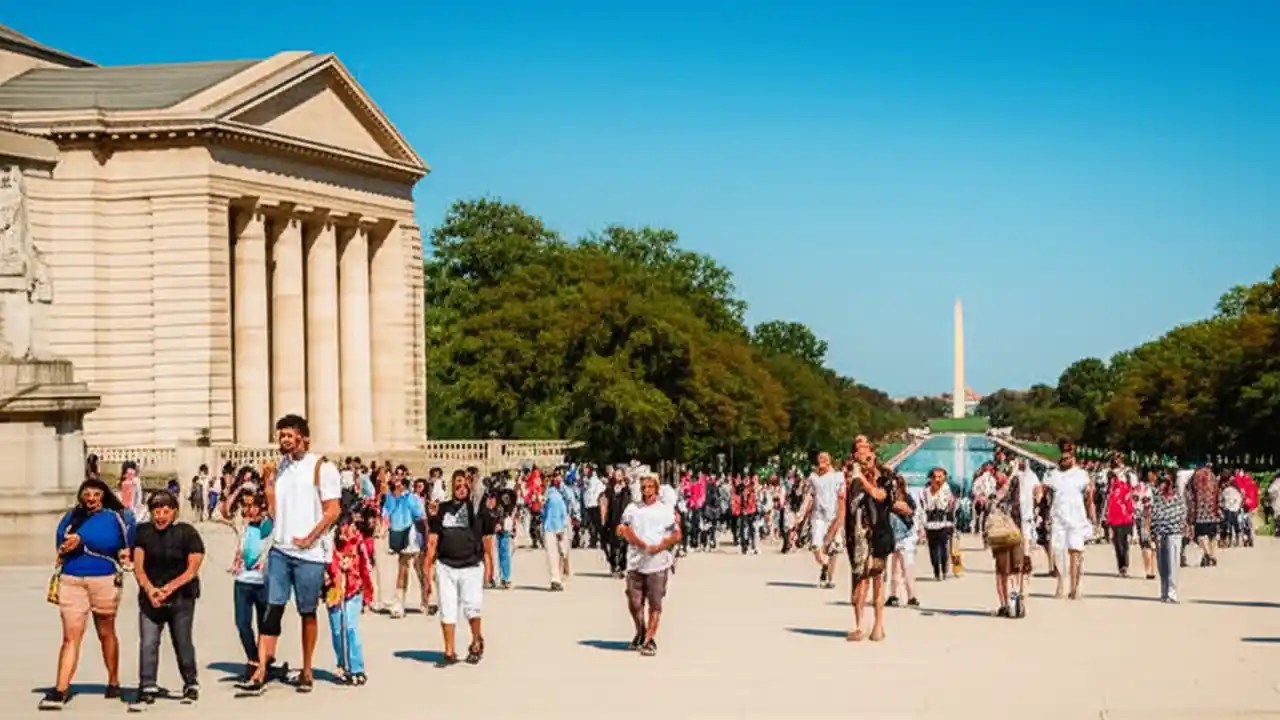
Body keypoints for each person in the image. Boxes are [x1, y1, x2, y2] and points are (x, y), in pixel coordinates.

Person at [238, 414, 341, 695]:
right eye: (280, 435)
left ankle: (307, 670)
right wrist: (268, 481)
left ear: (304, 438)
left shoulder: (322, 467)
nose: (283, 439)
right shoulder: (281, 468)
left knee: (307, 611)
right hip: (281, 551)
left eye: (288, 435)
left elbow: (333, 510)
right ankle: (260, 670)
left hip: (310, 554)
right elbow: (273, 509)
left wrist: (310, 537)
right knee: (272, 611)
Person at [41, 479, 136, 710]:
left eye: (95, 494)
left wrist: (83, 540)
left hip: (103, 578)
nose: (91, 498)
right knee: (70, 636)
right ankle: (60, 688)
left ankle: (113, 680)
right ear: (81, 496)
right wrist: (64, 548)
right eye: (87, 494)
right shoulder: (71, 517)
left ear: (102, 496)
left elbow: (117, 542)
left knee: (106, 632)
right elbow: (59, 539)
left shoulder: (113, 517)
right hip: (72, 578)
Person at [131, 491, 205, 706]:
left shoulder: (187, 533)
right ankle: (147, 685)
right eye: (156, 511)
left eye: (166, 511)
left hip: (182, 596)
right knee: (148, 642)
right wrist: (150, 590)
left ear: (174, 511)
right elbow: (138, 567)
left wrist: (168, 589)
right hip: (150, 596)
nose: (161, 516)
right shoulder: (143, 532)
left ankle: (191, 683)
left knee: (182, 641)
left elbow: (192, 570)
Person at [424, 470, 495, 667]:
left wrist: (490, 563)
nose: (461, 489)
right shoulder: (442, 508)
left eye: (464, 485)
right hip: (446, 565)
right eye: (457, 485)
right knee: (447, 608)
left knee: (472, 607)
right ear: (452, 487)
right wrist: (427, 567)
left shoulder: (475, 509)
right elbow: (433, 539)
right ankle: (449, 651)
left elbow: (487, 538)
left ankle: (476, 641)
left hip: (471, 565)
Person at [845, 451, 913, 642]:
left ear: (874, 460)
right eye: (859, 461)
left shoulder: (885, 480)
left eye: (867, 460)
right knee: (861, 579)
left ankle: (878, 624)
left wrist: (862, 480)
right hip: (861, 534)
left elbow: (879, 495)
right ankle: (860, 624)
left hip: (880, 534)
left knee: (877, 578)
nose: (863, 465)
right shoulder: (854, 482)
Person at [222, 469, 279, 683]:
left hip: (263, 581)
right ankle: (254, 659)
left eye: (252, 505)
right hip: (242, 581)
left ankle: (262, 663)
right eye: (245, 506)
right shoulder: (242, 524)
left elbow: (273, 507)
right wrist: (239, 487)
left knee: (265, 626)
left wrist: (266, 483)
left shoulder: (267, 525)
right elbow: (226, 510)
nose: (248, 510)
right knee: (242, 623)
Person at [618, 475, 681, 656]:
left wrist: (661, 546)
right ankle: (641, 630)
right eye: (643, 487)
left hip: (658, 563)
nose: (646, 490)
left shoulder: (665, 510)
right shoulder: (632, 509)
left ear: (656, 488)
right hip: (636, 562)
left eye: (650, 487)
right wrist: (640, 544)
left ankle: (649, 640)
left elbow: (677, 534)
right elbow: (623, 529)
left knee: (655, 603)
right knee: (634, 601)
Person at [1039, 440, 1095, 600]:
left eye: (1068, 457)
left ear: (1073, 458)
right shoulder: (1053, 475)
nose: (1065, 460)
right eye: (1063, 458)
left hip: (1077, 519)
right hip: (1058, 518)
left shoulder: (1082, 475)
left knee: (1076, 552)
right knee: (1059, 552)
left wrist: (1093, 518)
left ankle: (1075, 587)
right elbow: (1044, 493)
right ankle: (1061, 585)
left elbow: (1089, 498)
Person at [324, 519, 373, 685]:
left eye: (349, 524)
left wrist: (368, 594)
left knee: (350, 627)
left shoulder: (358, 542)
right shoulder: (326, 540)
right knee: (337, 630)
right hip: (333, 589)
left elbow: (365, 567)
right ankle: (342, 664)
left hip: (354, 588)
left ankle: (357, 667)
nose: (346, 529)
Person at [382, 474, 427, 618]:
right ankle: (400, 603)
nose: (397, 483)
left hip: (410, 533)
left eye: (399, 481)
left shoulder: (410, 497)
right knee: (403, 567)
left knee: (417, 568)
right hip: (397, 532)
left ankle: (424, 598)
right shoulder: (390, 497)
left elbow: (419, 515)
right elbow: (386, 512)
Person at [800, 452, 846, 589]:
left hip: (833, 516)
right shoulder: (813, 478)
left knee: (834, 549)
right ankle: (824, 563)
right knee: (815, 545)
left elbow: (842, 498)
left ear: (829, 461)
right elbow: (809, 496)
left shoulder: (838, 477)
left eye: (824, 459)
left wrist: (841, 517)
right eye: (819, 459)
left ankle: (830, 578)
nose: (822, 461)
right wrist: (802, 514)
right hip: (818, 515)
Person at [988, 469, 1025, 618]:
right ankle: (1015, 604)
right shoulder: (1020, 497)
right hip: (1017, 536)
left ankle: (1005, 605)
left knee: (1002, 573)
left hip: (1002, 536)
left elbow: (990, 514)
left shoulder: (995, 496)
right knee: (1015, 573)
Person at [1151, 468, 1188, 602]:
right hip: (1160, 533)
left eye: (1165, 482)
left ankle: (1172, 592)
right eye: (1161, 482)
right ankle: (1164, 591)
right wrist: (1154, 532)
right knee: (1162, 564)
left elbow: (1182, 513)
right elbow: (1154, 515)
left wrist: (1182, 526)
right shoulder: (1157, 497)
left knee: (1173, 563)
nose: (1163, 485)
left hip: (1174, 533)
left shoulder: (1178, 497)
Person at [886, 474, 919, 608]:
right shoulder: (885, 498)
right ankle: (893, 595)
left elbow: (910, 510)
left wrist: (895, 505)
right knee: (893, 569)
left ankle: (912, 596)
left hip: (905, 536)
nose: (893, 489)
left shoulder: (906, 498)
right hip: (892, 536)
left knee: (906, 567)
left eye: (896, 486)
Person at [921, 468, 955, 580]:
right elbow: (924, 508)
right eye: (935, 477)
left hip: (944, 522)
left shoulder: (946, 490)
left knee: (944, 547)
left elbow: (947, 505)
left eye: (940, 477)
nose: (937, 479)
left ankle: (944, 568)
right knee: (933, 548)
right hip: (930, 523)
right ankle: (936, 570)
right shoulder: (925, 491)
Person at [542, 470, 571, 591]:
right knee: (552, 554)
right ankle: (555, 579)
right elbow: (544, 510)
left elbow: (571, 502)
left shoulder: (564, 492)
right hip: (549, 526)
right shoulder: (548, 493)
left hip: (562, 526)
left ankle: (561, 574)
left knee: (563, 552)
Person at [1105, 470, 1136, 577]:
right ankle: (1121, 566)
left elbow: (1128, 501)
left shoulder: (1123, 488)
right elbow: (1108, 505)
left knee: (1124, 543)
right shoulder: (1110, 490)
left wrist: (1130, 512)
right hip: (1114, 520)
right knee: (1117, 544)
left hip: (1124, 519)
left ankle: (1125, 566)